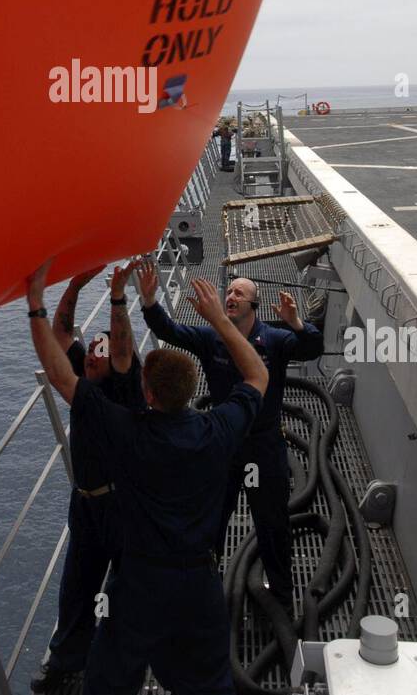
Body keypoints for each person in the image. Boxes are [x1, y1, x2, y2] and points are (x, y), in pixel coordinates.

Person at [26, 266, 268, 695]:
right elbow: (257, 375)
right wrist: (219, 321)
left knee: (109, 686)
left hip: (138, 584)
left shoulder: (127, 432)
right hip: (198, 583)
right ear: (190, 393)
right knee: (209, 689)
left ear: (147, 393)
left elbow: (59, 375)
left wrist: (35, 302)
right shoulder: (217, 430)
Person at [137, 261, 323, 613]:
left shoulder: (275, 339)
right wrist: (149, 303)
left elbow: (312, 347)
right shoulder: (211, 338)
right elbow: (170, 330)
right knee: (211, 517)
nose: (231, 296)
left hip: (264, 444)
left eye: (240, 293)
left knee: (272, 521)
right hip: (224, 442)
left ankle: (280, 595)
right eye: (230, 291)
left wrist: (296, 321)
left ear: (254, 306)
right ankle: (204, 582)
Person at [30, 260, 145, 694]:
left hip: (123, 503)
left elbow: (120, 348)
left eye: (103, 347)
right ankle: (66, 658)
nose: (95, 351)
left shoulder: (123, 383)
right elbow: (61, 337)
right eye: (91, 346)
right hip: (86, 501)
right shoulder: (84, 379)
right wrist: (76, 285)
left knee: (130, 584)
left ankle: (127, 659)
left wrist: (117, 295)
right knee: (77, 584)